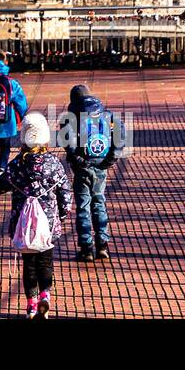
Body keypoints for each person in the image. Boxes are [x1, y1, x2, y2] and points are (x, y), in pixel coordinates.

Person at [0, 112, 71, 319]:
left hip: (23, 224)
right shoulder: (54, 164)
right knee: (45, 262)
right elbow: (65, 193)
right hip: (48, 224)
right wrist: (61, 215)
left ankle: (32, 305)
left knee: (29, 265)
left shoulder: (17, 165)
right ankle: (46, 295)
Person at [64, 83, 117, 261]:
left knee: (83, 207)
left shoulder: (71, 117)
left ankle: (86, 248)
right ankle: (103, 245)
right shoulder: (107, 115)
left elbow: (68, 144)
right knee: (99, 203)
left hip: (81, 168)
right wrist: (110, 160)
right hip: (101, 166)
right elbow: (120, 137)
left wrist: (78, 160)